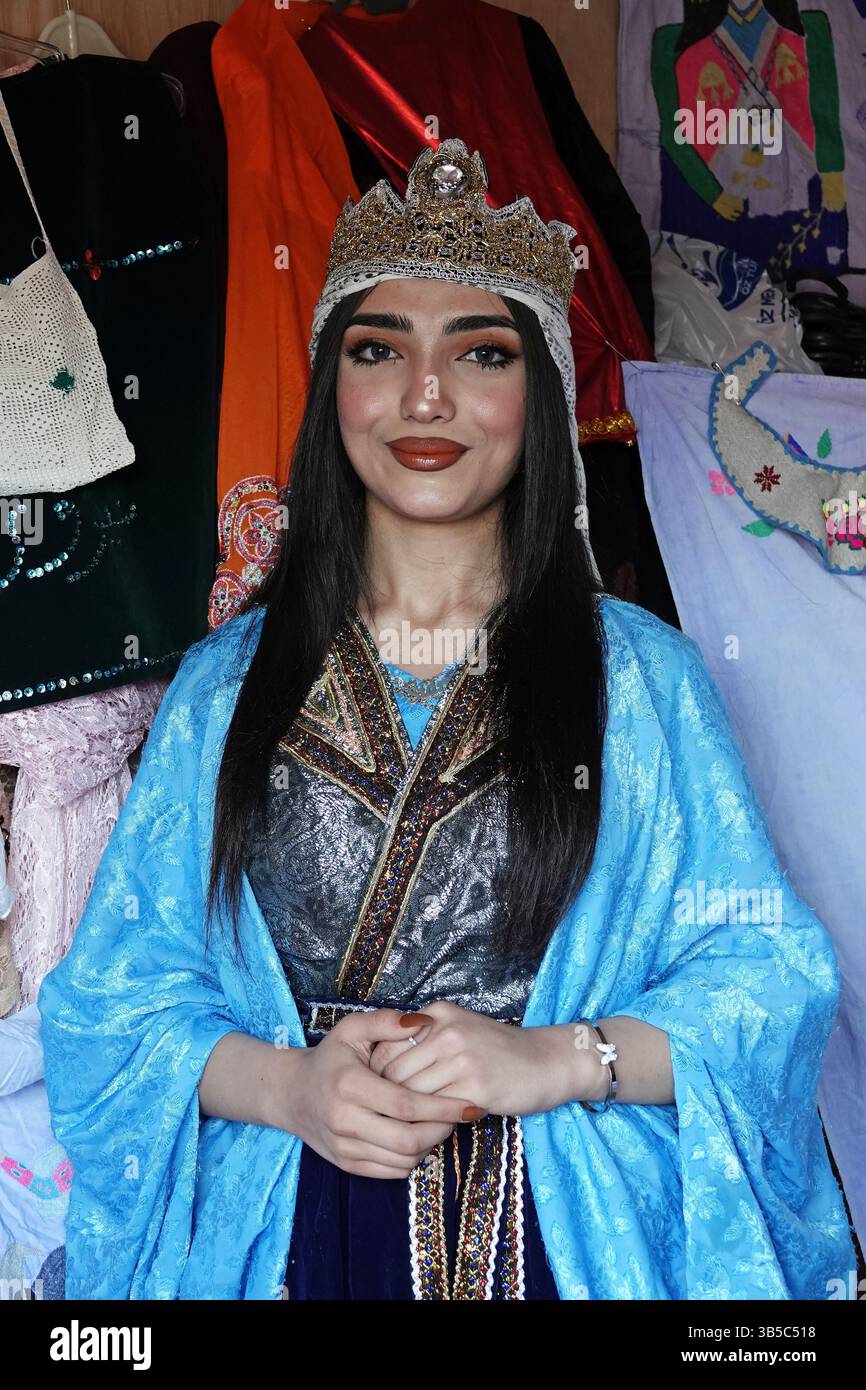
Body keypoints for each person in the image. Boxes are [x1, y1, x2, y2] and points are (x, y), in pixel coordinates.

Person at [37, 138, 855, 1301]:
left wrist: (555, 1058)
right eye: (379, 349)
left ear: (542, 392)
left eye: (480, 353)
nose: (426, 396)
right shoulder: (223, 687)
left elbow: (767, 979)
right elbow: (113, 1004)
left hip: (568, 1237)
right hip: (289, 1229)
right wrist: (290, 1088)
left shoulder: (641, 682)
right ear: (331, 388)